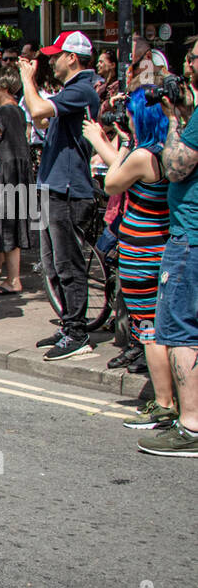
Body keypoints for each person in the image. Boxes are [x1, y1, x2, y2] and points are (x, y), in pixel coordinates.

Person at [84, 89, 175, 429]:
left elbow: (112, 182)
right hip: (162, 246)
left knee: (149, 330)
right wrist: (122, 144)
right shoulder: (166, 153)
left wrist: (105, 141)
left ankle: (163, 403)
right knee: (164, 327)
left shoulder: (142, 155)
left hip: (141, 250)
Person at [19, 30, 101, 360]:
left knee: (69, 264)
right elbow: (39, 115)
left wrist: (28, 78)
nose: (50, 61)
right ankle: (69, 324)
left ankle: (78, 332)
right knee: (53, 264)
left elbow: (37, 106)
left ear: (72, 57)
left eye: (56, 56)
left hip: (68, 189)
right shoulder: (72, 90)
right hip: (54, 185)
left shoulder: (82, 89)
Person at [138, 47, 198, 456]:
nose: (188, 65)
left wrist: (176, 120)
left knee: (179, 331)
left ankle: (190, 425)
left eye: (195, 58)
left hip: (189, 237)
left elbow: (176, 166)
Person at [0, 62, 32, 294]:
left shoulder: (2, 112)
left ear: (2, 87)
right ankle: (10, 277)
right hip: (19, 174)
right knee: (12, 227)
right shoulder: (18, 111)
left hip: (4, 174)